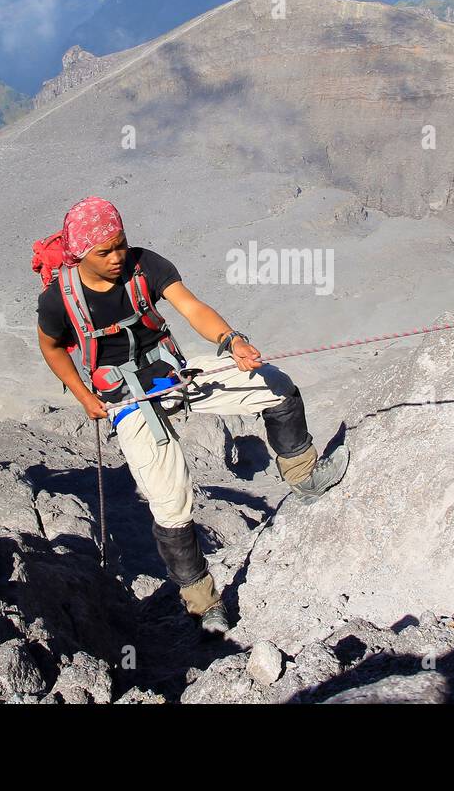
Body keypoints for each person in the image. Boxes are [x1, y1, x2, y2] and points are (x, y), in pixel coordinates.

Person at [35, 196, 349, 634]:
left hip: (170, 374)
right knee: (170, 500)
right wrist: (83, 395)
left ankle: (304, 476)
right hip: (124, 395)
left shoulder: (145, 266)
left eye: (120, 245)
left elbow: (192, 307)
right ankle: (203, 604)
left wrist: (231, 340)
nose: (116, 258)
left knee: (276, 386)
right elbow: (51, 346)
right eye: (103, 252)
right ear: (79, 254)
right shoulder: (59, 299)